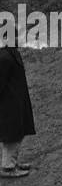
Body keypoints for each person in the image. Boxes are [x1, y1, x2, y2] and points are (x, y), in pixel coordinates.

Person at [0, 43, 36, 178]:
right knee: (12, 135)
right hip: (8, 103)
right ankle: (8, 167)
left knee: (16, 133)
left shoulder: (10, 53)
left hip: (16, 100)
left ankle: (11, 162)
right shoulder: (4, 57)